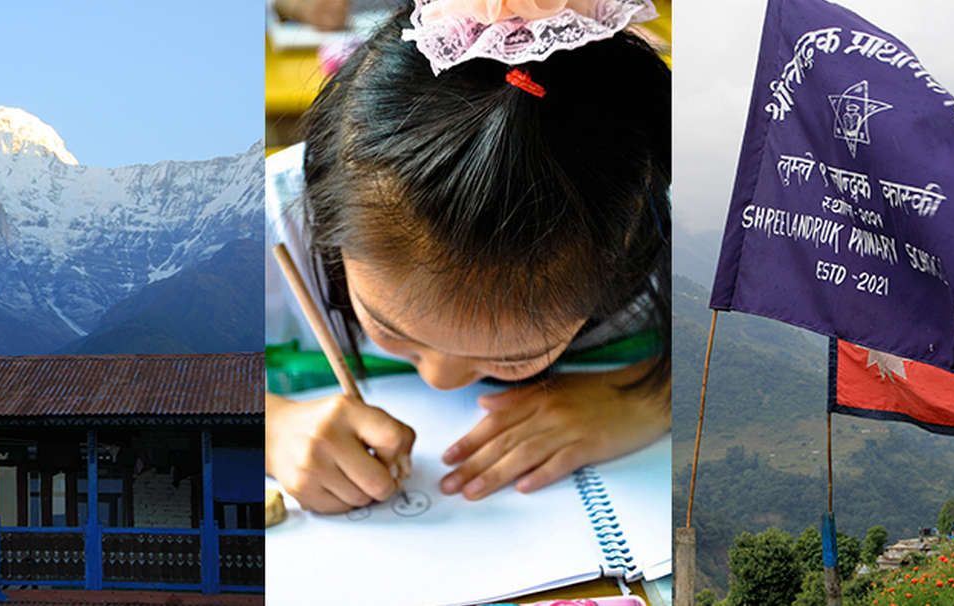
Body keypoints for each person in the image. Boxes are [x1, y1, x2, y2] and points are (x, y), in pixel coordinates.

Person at [266, 0, 670, 514]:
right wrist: (271, 425)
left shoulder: (658, 230)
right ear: (324, 216)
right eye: (391, 330)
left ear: (626, 260)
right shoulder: (268, 219)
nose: (441, 378)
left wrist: (649, 398)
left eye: (514, 359)